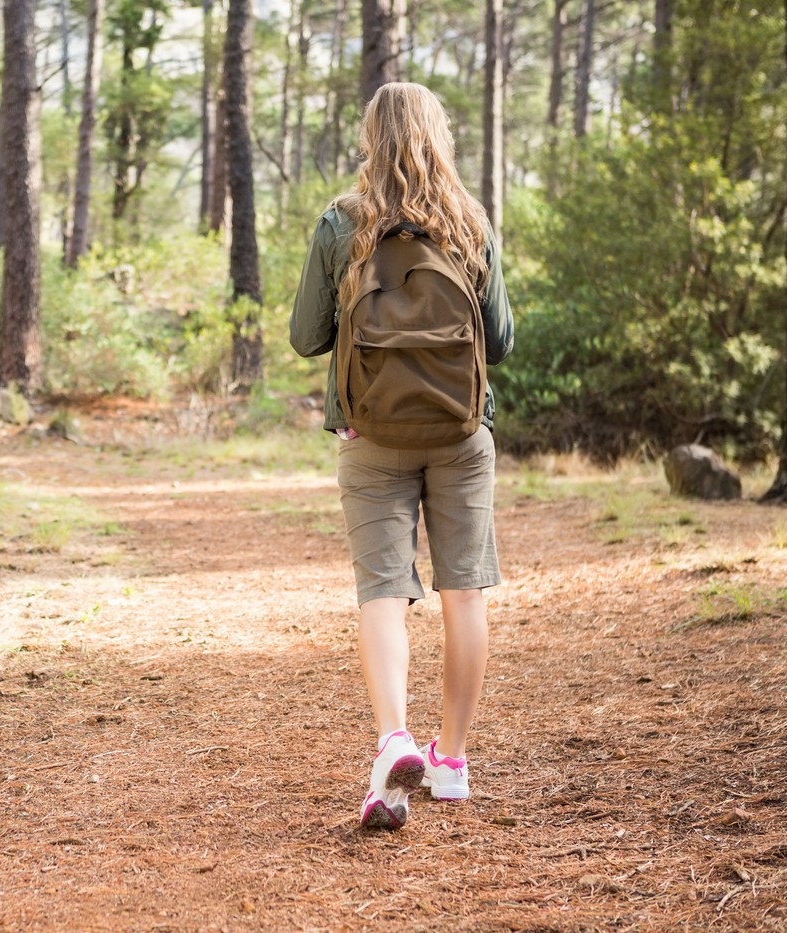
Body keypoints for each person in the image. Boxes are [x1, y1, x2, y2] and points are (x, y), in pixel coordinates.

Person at [289, 83, 514, 831]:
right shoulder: (470, 221)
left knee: (383, 589)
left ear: (369, 138)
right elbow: (501, 340)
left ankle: (393, 737)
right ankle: (450, 760)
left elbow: (307, 336)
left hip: (372, 435)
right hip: (460, 435)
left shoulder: (340, 223)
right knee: (465, 591)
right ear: (438, 136)